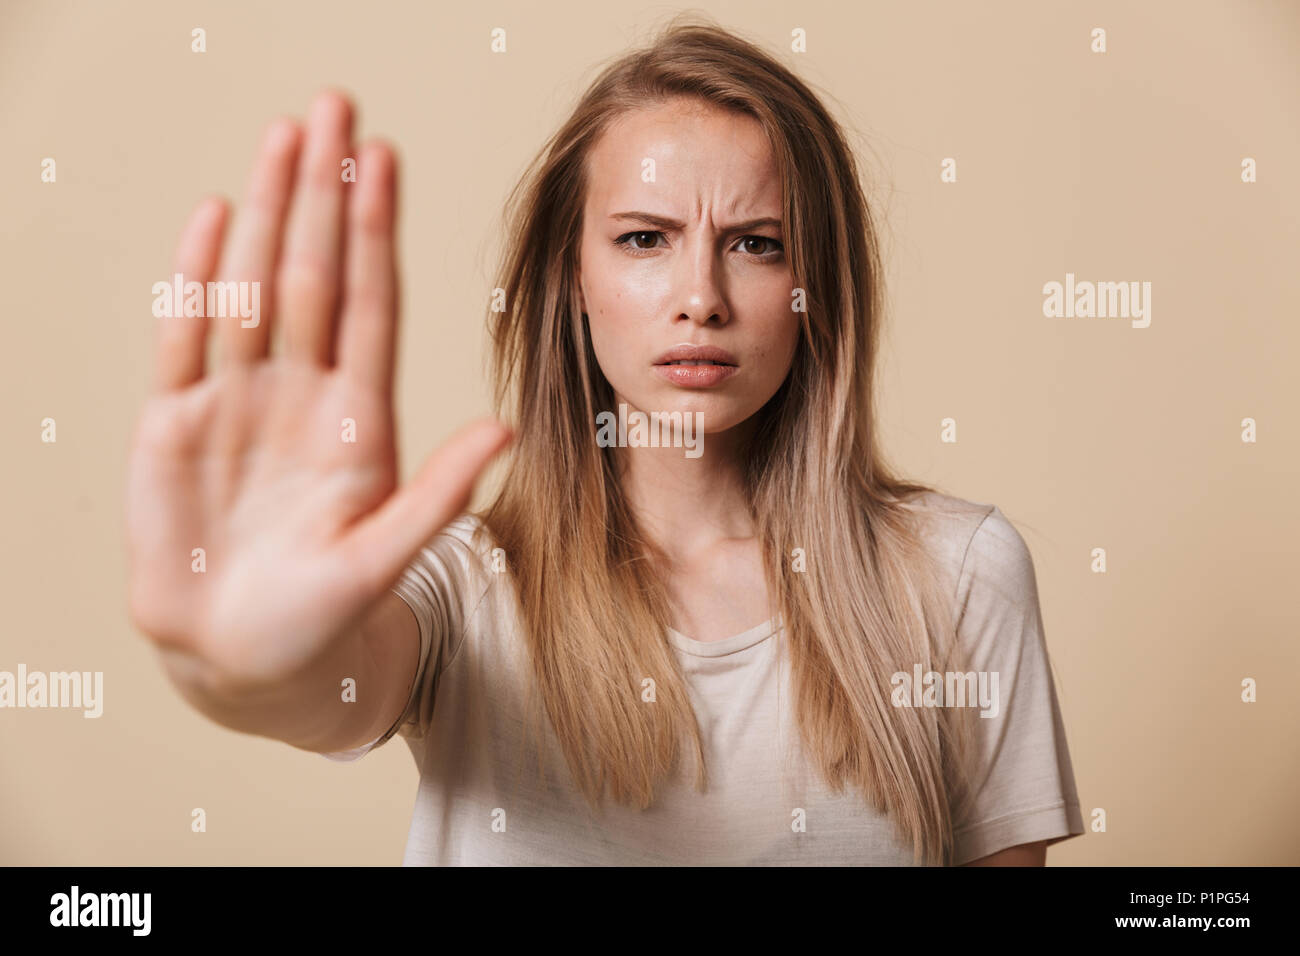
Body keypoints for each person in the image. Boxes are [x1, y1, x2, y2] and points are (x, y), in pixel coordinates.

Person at [125, 16, 1084, 866]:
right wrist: (247, 664)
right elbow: (324, 686)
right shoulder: (464, 588)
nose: (700, 298)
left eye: (756, 242)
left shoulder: (958, 575)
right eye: (643, 239)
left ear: (816, 287)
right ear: (570, 279)